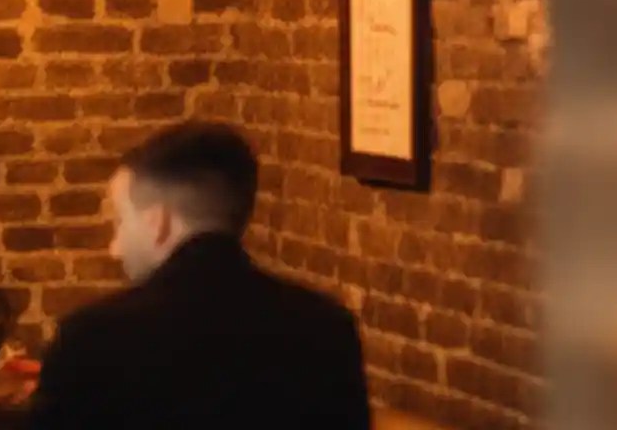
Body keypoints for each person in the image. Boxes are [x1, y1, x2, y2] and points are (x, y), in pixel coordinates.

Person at [27, 121, 371, 430]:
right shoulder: (326, 329)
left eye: (119, 223)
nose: (114, 248)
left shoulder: (93, 338)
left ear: (157, 223)